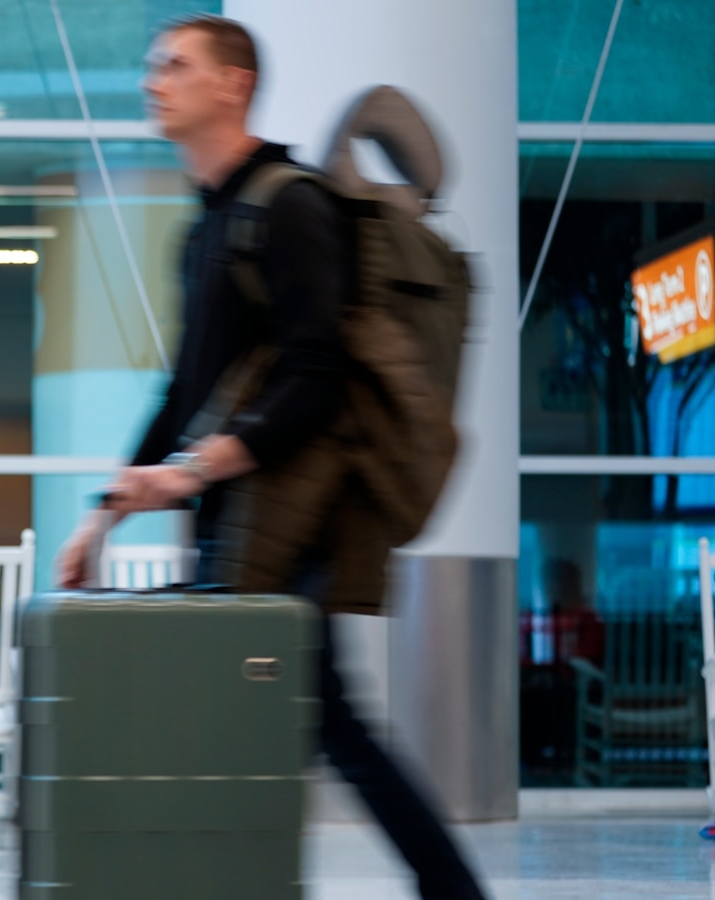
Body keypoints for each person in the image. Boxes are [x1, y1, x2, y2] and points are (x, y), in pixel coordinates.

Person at [53, 15, 487, 900]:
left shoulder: (292, 206)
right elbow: (185, 391)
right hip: (248, 524)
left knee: (296, 722)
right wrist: (105, 511)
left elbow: (317, 380)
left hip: (306, 525)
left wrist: (197, 470)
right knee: (304, 723)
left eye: (174, 65)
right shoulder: (207, 225)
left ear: (233, 84)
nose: (153, 81)